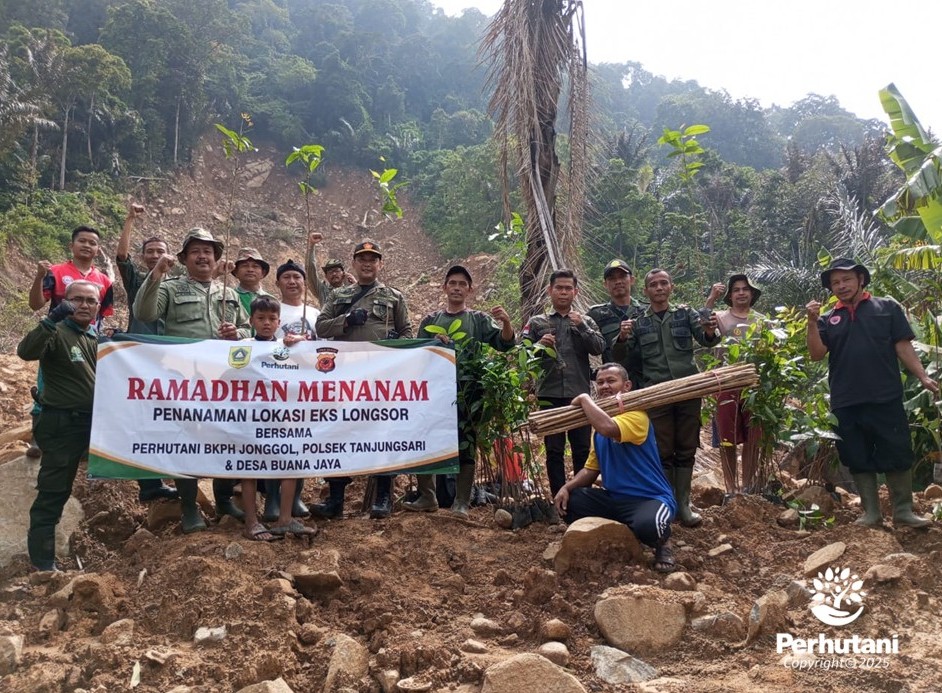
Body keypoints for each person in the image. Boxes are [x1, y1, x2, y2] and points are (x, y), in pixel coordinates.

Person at [133, 227, 251, 532]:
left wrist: (237, 334)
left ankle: (224, 499)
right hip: (183, 382)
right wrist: (156, 274)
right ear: (184, 258)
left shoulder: (229, 292)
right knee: (185, 441)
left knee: (224, 437)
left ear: (216, 259)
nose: (203, 256)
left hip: (224, 382)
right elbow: (144, 313)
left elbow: (249, 330)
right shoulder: (171, 288)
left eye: (208, 251)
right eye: (196, 251)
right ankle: (188, 507)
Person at [806, 258, 939, 528]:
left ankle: (902, 511)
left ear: (861, 280)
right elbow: (816, 354)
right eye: (835, 282)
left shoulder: (886, 308)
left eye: (847, 280)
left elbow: (903, 346)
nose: (841, 286)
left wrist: (922, 375)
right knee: (856, 454)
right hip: (846, 400)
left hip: (885, 396)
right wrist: (811, 321)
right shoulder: (828, 319)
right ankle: (871, 513)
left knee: (897, 451)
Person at [404, 265, 515, 516]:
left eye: (462, 284)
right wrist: (435, 343)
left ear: (469, 290)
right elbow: (419, 355)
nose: (456, 287)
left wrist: (506, 322)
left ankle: (461, 502)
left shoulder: (477, 319)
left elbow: (504, 344)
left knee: (466, 443)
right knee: (427, 440)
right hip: (435, 392)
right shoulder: (431, 321)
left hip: (468, 390)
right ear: (444, 287)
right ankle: (427, 496)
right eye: (452, 283)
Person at [612, 268, 720, 527]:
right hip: (656, 392)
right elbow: (623, 358)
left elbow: (708, 341)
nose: (659, 288)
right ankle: (667, 502)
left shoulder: (685, 314)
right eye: (653, 285)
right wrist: (622, 337)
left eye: (663, 283)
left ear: (671, 287)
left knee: (686, 445)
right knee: (662, 449)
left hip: (687, 389)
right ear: (646, 291)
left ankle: (683, 503)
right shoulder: (638, 322)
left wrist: (708, 331)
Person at [314, 239, 413, 519]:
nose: (367, 264)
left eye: (373, 259)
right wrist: (345, 321)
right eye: (362, 259)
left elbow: (408, 331)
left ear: (380, 264)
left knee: (382, 432)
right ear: (354, 264)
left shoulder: (394, 296)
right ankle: (335, 499)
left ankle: (382, 496)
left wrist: (397, 343)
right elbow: (321, 327)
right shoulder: (339, 296)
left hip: (380, 379)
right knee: (338, 432)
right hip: (344, 377)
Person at [554, 363, 677, 572]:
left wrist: (584, 399)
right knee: (570, 503)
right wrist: (567, 487)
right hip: (615, 499)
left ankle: (663, 542)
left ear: (627, 385)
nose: (604, 386)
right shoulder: (598, 429)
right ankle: (626, 528)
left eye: (611, 381)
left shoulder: (637, 415)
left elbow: (608, 428)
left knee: (651, 527)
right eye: (600, 382)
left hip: (650, 498)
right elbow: (591, 471)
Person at [18, 280, 102, 571]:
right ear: (65, 303)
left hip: (91, 423)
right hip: (61, 424)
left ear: (98, 306)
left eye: (91, 301)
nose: (84, 305)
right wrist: (49, 320)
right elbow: (26, 351)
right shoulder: (57, 332)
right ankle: (43, 562)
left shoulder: (94, 337)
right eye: (77, 299)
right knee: (54, 490)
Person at [26, 225, 115, 459]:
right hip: (59, 335)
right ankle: (39, 435)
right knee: (49, 382)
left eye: (92, 243)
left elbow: (103, 315)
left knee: (89, 385)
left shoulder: (104, 280)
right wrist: (38, 276)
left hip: (90, 339)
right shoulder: (55, 271)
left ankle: (86, 439)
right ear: (72, 245)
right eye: (82, 241)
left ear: (98, 249)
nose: (87, 245)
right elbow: (36, 304)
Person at [113, 202, 180, 502]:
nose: (155, 255)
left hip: (169, 358)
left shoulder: (178, 284)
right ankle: (149, 485)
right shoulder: (137, 280)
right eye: (150, 252)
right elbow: (120, 257)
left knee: (171, 416)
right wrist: (129, 219)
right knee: (142, 417)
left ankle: (174, 476)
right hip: (140, 357)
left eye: (160, 251)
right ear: (143, 257)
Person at [521, 269, 605, 496]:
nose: (563, 292)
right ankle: (558, 499)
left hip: (580, 396)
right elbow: (522, 353)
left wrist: (583, 327)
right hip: (549, 394)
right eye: (559, 287)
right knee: (554, 450)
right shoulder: (537, 321)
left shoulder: (585, 320)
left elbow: (599, 347)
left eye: (568, 288)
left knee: (581, 449)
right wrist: (539, 345)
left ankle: (581, 498)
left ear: (575, 292)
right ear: (550, 290)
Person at [239, 296, 317, 540]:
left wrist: (302, 343)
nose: (266, 323)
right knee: (249, 469)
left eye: (272, 319)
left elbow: (305, 369)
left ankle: (285, 519)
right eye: (260, 318)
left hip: (283, 418)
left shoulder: (286, 347)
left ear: (279, 322)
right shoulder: (243, 346)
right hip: (250, 418)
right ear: (251, 320)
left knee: (290, 463)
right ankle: (252, 522)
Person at [259, 259, 320, 521]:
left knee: (301, 443)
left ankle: (295, 497)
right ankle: (272, 499)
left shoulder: (316, 313)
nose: (292, 282)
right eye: (287, 277)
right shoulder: (272, 308)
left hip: (306, 387)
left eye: (297, 277)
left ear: (304, 283)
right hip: (277, 384)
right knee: (275, 444)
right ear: (278, 282)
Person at [704, 274, 765, 496]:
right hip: (726, 384)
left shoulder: (762, 321)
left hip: (753, 385)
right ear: (730, 295)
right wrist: (711, 298)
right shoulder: (720, 318)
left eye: (745, 289)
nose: (741, 293)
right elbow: (704, 325)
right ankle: (731, 487)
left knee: (753, 438)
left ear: (752, 294)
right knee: (726, 438)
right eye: (736, 289)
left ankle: (748, 485)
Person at [587, 259, 646, 380]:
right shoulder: (596, 315)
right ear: (605, 284)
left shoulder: (647, 310)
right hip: (615, 385)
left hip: (647, 381)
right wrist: (594, 375)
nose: (618, 281)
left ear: (632, 280)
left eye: (622, 277)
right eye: (612, 279)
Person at [306, 232, 354, 306]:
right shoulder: (322, 291)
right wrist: (311, 245)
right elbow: (310, 269)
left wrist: (356, 285)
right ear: (326, 277)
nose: (334, 274)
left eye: (337, 271)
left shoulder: (351, 290)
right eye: (330, 272)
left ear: (343, 274)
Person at [231, 248, 274, 318]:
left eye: (255, 266)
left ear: (263, 273)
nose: (250, 270)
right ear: (236, 272)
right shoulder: (229, 297)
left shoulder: (271, 300)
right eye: (245, 266)